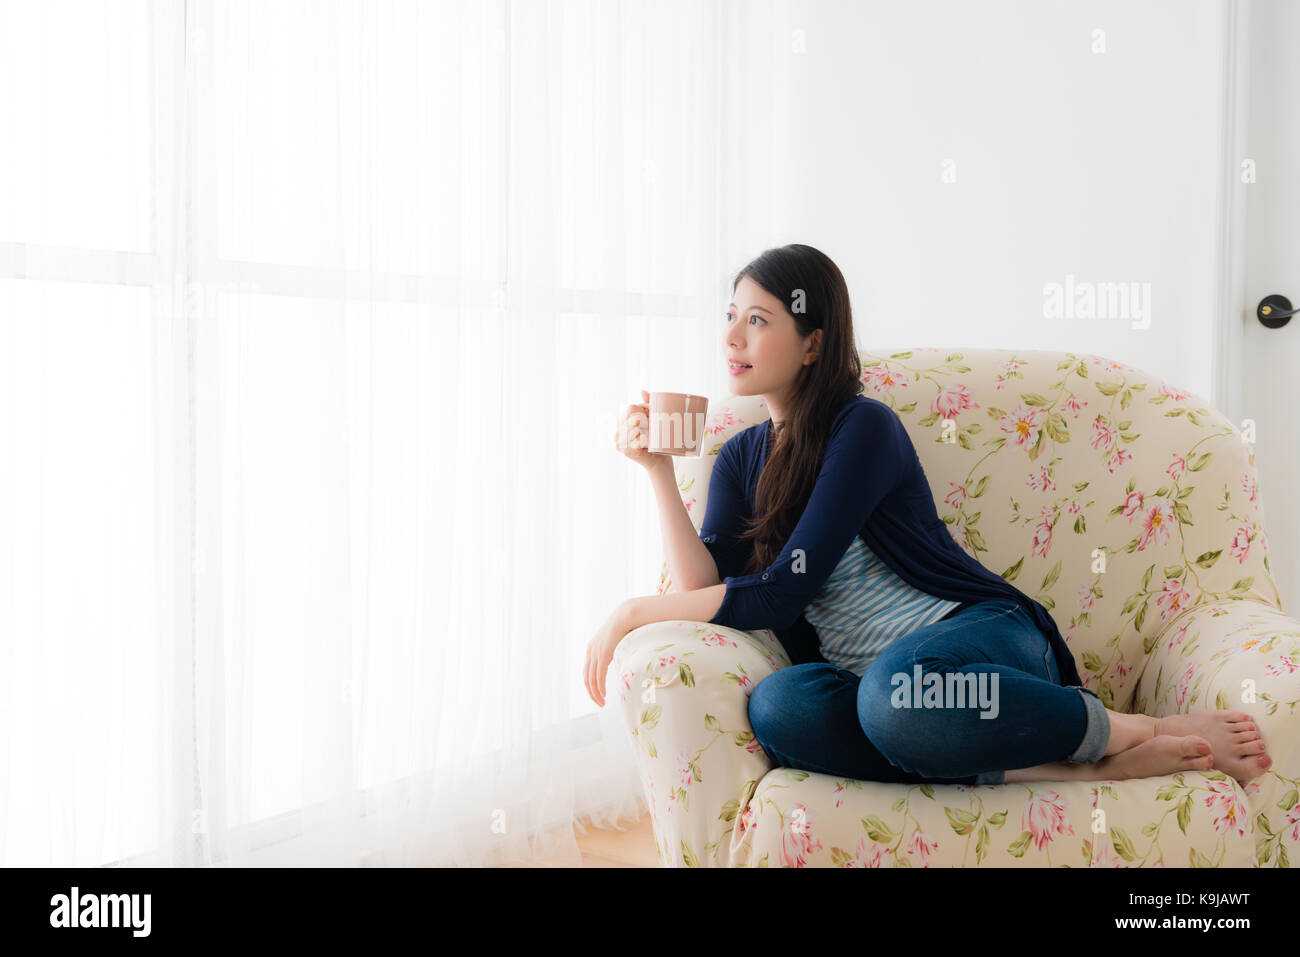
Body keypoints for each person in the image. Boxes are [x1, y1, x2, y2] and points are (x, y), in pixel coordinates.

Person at [590, 242, 1272, 786]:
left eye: (758, 319)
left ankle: (1129, 730)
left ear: (813, 343)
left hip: (981, 641)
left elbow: (784, 588)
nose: (732, 336)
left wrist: (628, 613)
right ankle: (1060, 768)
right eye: (731, 315)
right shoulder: (740, 457)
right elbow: (702, 586)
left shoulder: (863, 428)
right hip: (882, 693)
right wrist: (657, 473)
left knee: (898, 695)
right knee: (780, 707)